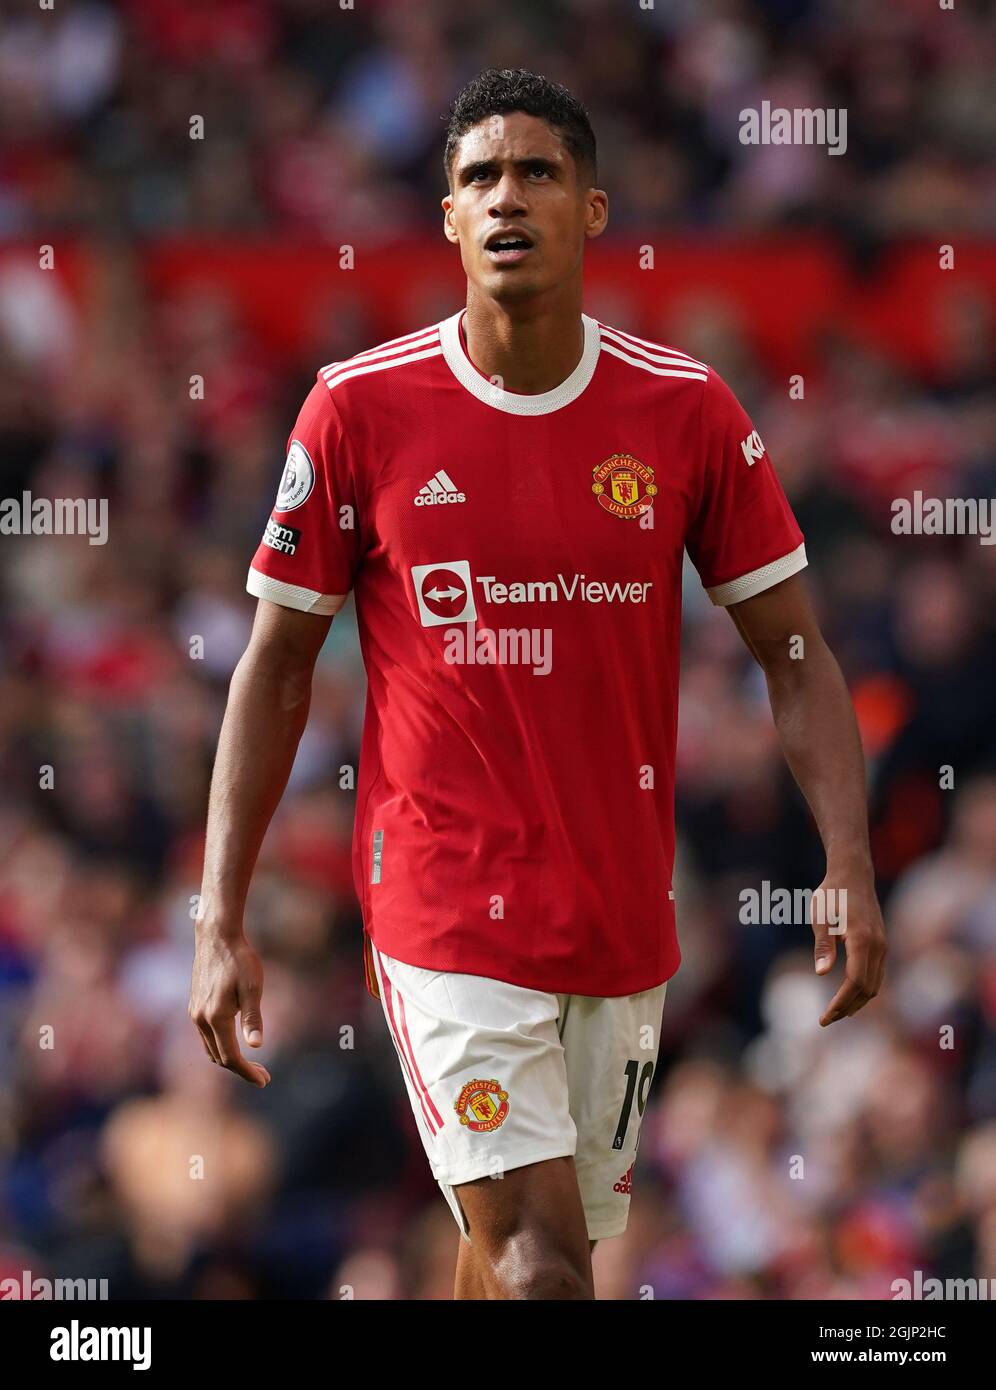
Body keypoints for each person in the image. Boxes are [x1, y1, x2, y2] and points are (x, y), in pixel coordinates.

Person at [188, 68, 887, 1300]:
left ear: (595, 209)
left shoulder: (685, 413)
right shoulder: (356, 411)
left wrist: (849, 858)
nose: (506, 197)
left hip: (619, 916)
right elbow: (276, 665)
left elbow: (795, 651)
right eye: (477, 178)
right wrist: (220, 913)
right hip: (444, 904)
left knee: (516, 1260)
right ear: (448, 218)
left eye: (537, 172)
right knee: (543, 1265)